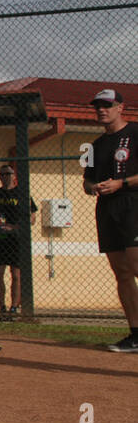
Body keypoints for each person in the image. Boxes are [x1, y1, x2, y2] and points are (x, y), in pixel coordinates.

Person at [83, 88, 138, 352]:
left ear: (120, 108)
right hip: (107, 209)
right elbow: (86, 181)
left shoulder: (135, 133)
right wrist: (94, 187)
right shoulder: (95, 146)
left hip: (133, 206)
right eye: (98, 106)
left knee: (136, 265)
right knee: (122, 273)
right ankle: (135, 334)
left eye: (107, 105)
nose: (101, 110)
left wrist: (122, 182)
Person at [0, 164, 38, 317]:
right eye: (2, 174)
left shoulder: (22, 194)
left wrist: (15, 227)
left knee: (16, 275)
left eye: (8, 174)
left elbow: (32, 218)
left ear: (14, 176)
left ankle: (14, 307)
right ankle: (2, 307)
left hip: (16, 238)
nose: (5, 177)